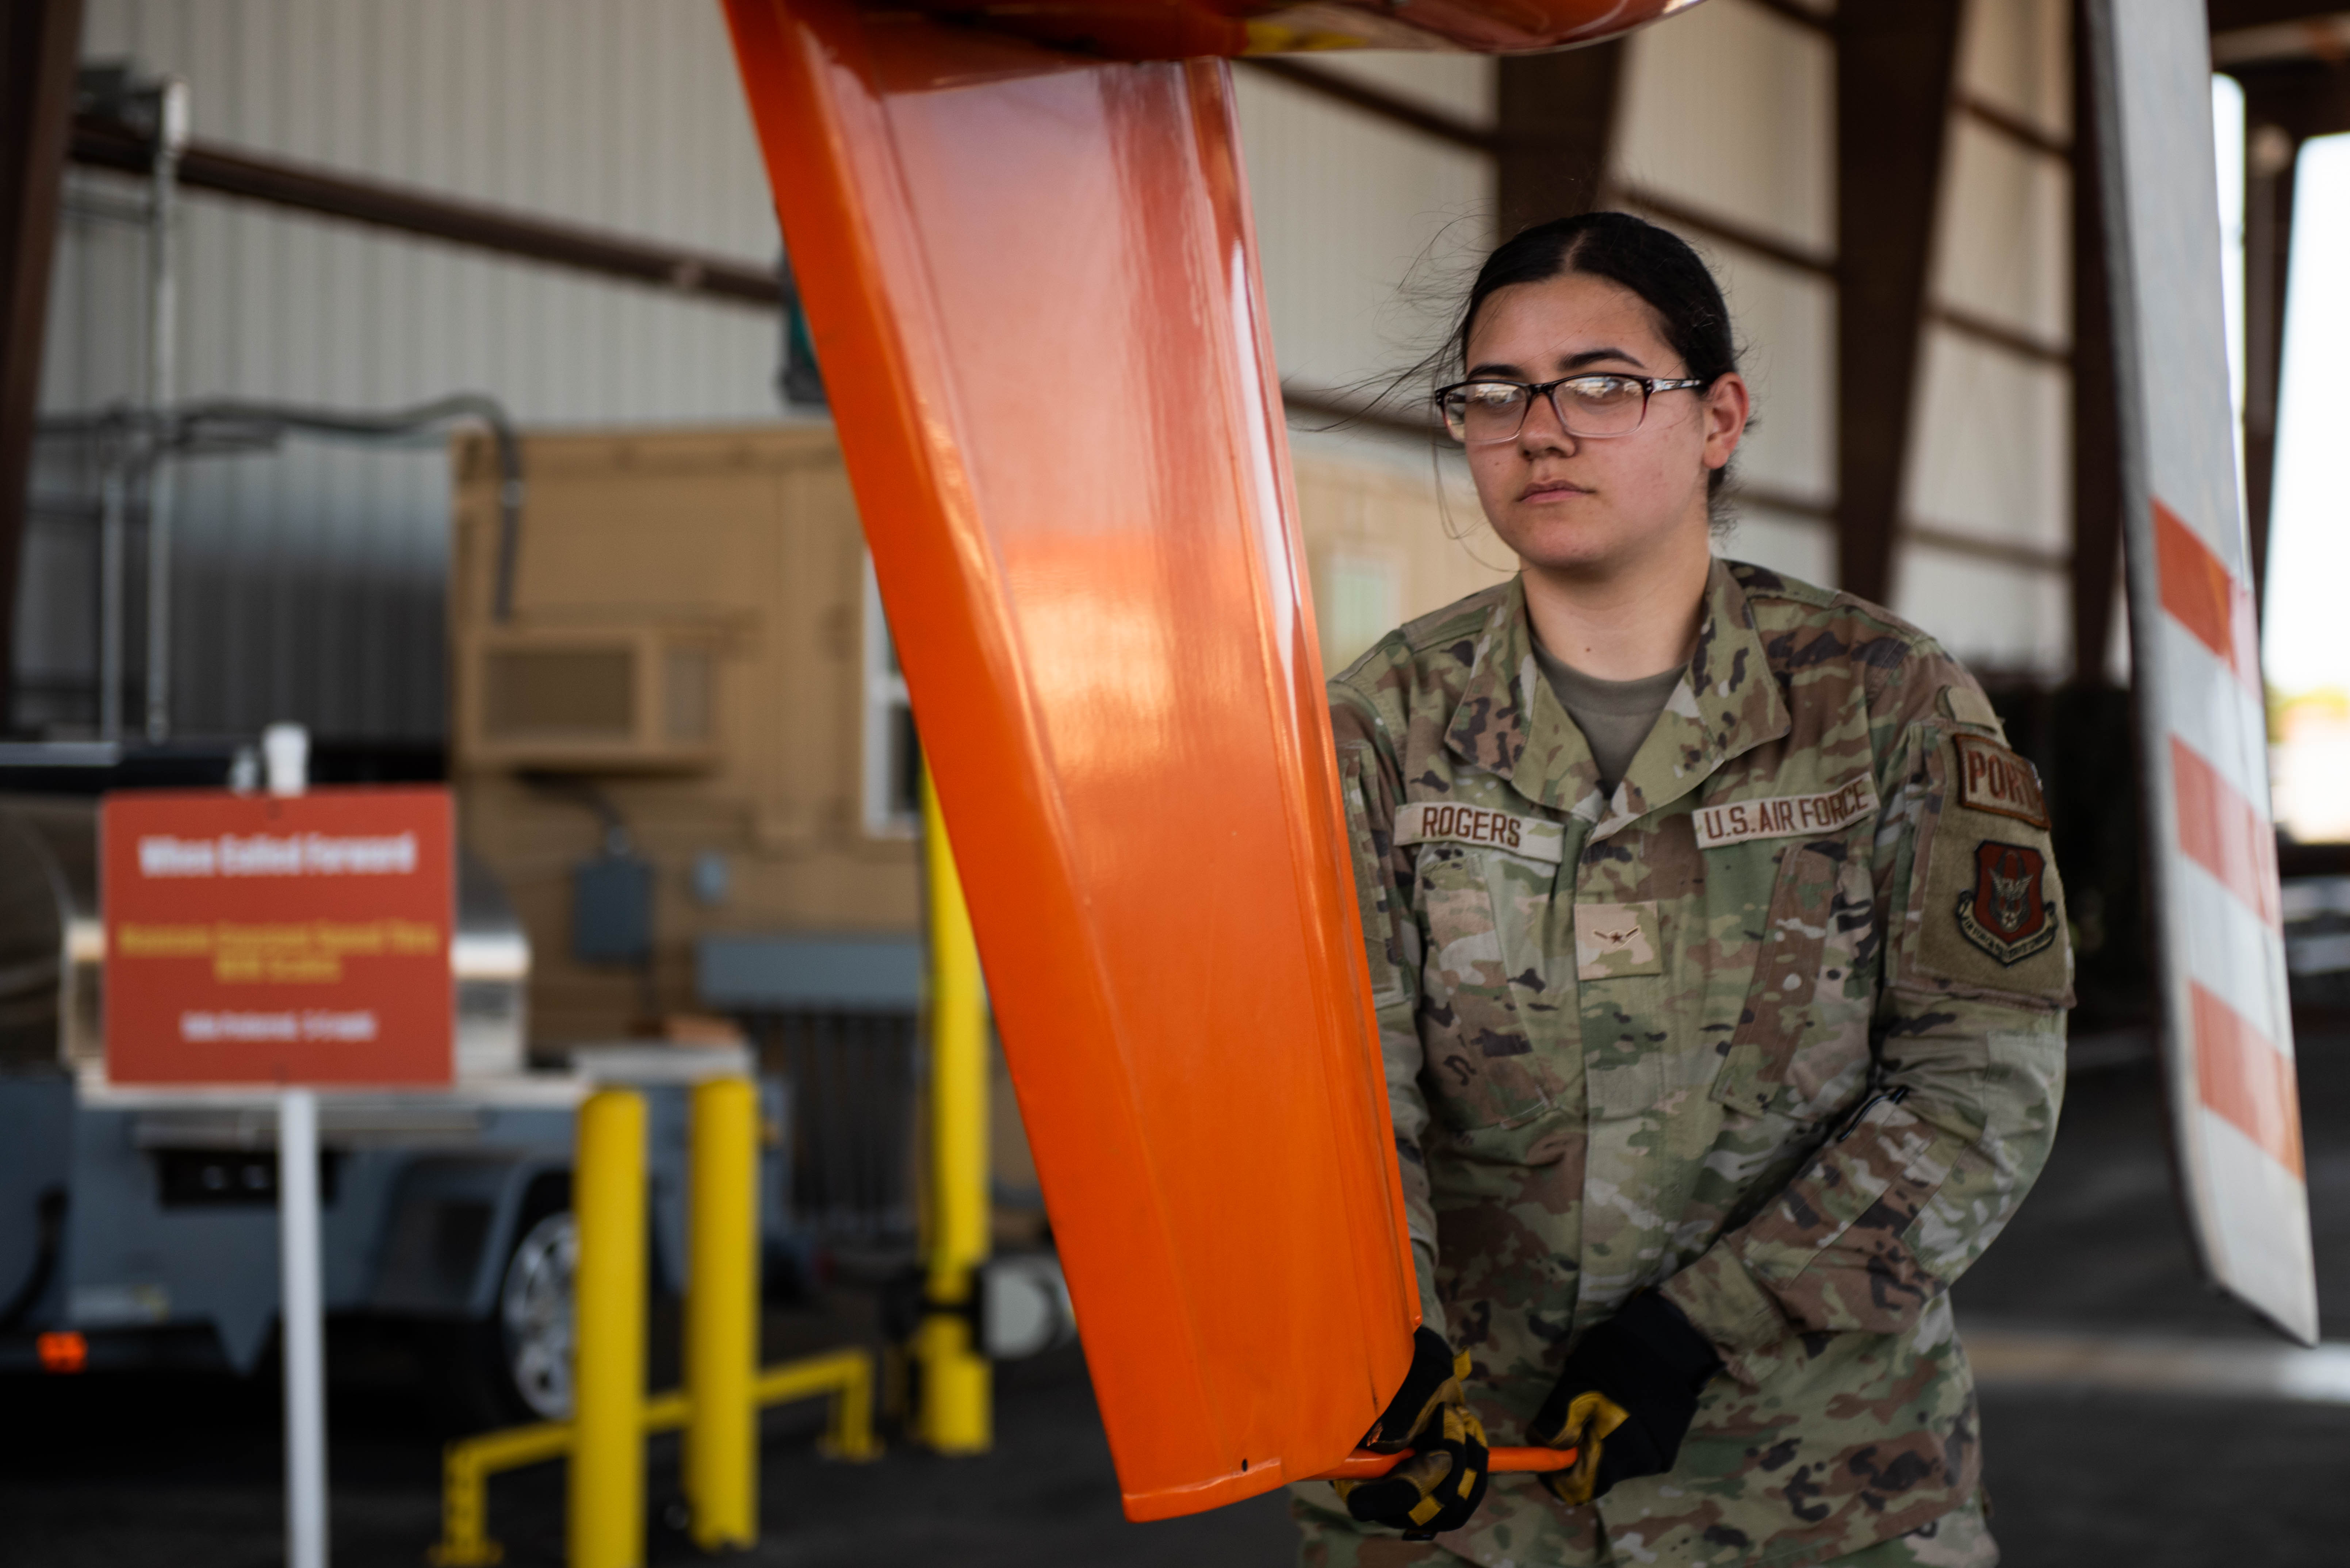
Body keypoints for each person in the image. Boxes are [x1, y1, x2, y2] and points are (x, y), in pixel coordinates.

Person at [1297, 211, 2069, 1568]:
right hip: (1475, 1509)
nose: (1541, 429)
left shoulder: (1883, 702)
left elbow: (1980, 1087)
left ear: (1717, 418)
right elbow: (1334, 1092)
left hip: (1819, 1496)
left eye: (1602, 384)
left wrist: (1705, 1323)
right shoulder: (1377, 728)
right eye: (1494, 393)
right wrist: (1381, 1354)